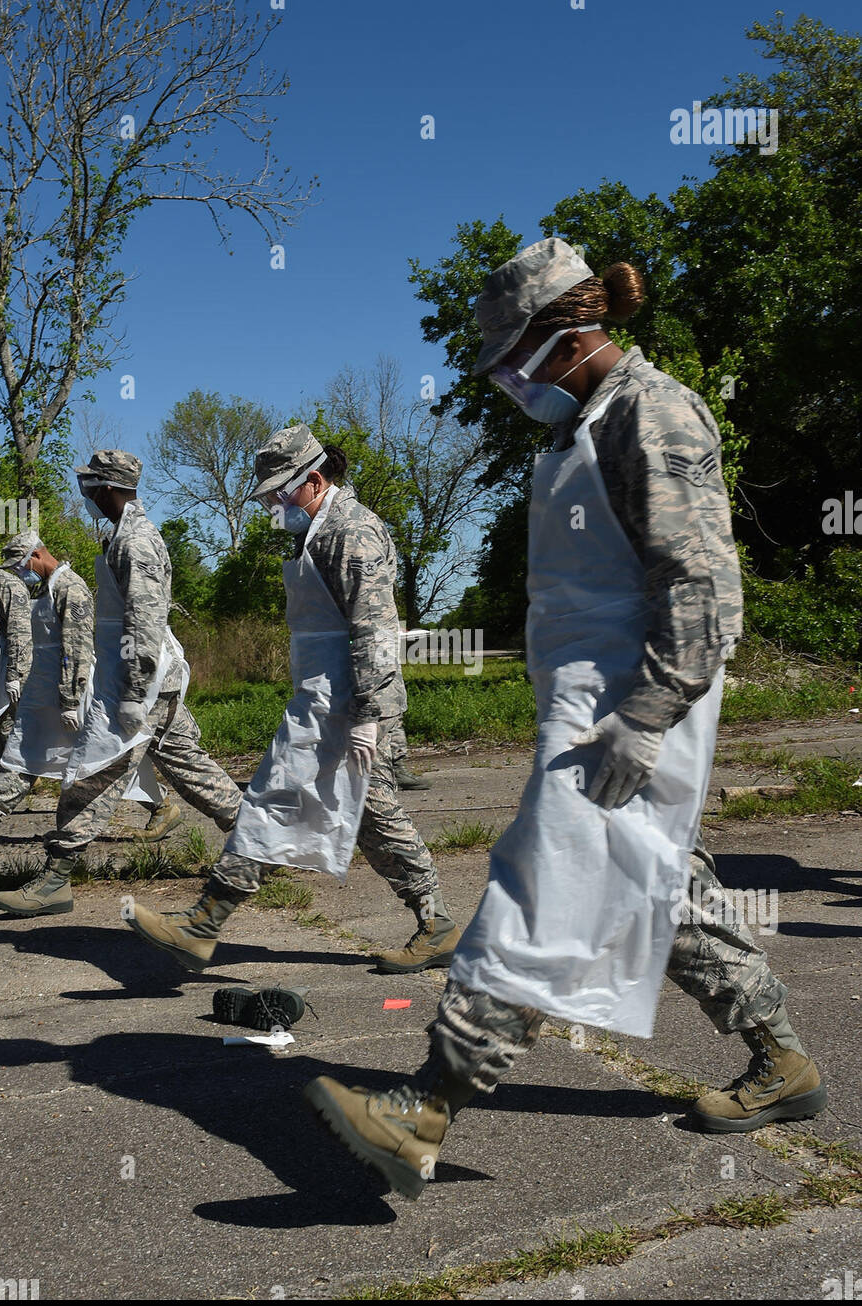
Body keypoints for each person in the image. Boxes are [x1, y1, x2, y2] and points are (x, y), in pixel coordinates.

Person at [305, 238, 826, 1200]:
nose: (503, 383)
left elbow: (704, 586)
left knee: (544, 885)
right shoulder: (576, 430)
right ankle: (784, 1063)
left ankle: (430, 1102)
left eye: (508, 362)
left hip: (632, 707)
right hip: (591, 703)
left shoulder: (651, 412)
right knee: (659, 884)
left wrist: (651, 710)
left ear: (559, 338)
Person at [122, 424, 460, 974]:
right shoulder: (317, 531)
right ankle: (206, 923)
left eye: (283, 490)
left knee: (340, 809)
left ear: (316, 479)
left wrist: (370, 715)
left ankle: (205, 923)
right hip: (323, 700)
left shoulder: (354, 531)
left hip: (351, 705)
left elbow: (374, 628)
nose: (276, 503)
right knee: (315, 807)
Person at [0, 451, 242, 917]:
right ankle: (260, 838)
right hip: (142, 681)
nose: (85, 495)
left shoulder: (136, 541)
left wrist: (131, 693)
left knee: (90, 776)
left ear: (105, 488)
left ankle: (55, 879)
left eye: (89, 486)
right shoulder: (120, 536)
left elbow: (145, 622)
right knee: (189, 766)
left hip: (138, 685)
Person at [0, 531, 175, 837]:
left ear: (37, 554)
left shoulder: (71, 587)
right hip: (43, 693)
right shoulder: (44, 587)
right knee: (24, 755)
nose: (19, 572)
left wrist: (69, 700)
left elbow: (75, 649)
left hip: (68, 692)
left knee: (105, 759)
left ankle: (159, 804)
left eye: (22, 564)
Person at [0, 533, 33, 767]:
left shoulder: (7, 585)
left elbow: (19, 633)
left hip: (5, 676)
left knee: (5, 733)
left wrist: (14, 676)